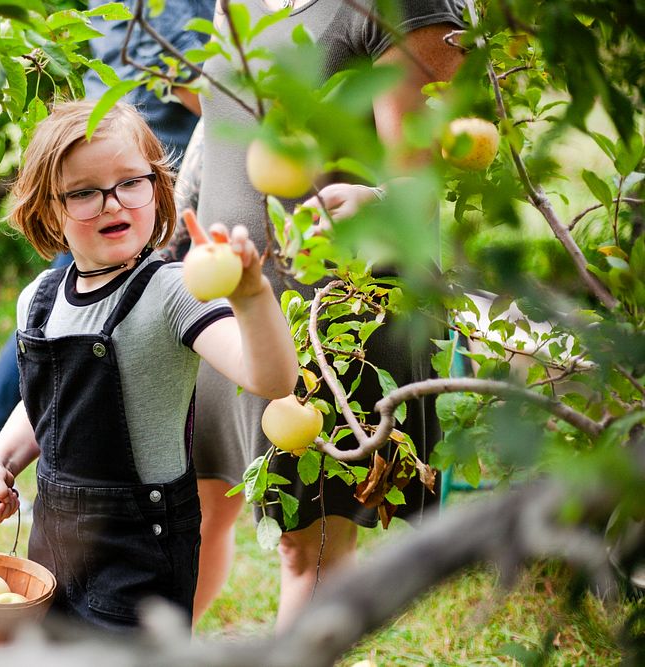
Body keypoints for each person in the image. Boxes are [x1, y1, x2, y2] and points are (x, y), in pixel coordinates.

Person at [188, 0, 467, 630]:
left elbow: (424, 171)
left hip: (334, 309)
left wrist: (376, 200)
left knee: (307, 544)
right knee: (199, 505)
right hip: (221, 307)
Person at [0, 100, 298, 630]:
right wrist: (1, 458)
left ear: (158, 186)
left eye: (131, 182)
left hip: (140, 548)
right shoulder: (39, 299)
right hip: (55, 537)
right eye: (83, 192)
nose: (111, 203)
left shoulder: (174, 292)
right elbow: (50, 405)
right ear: (48, 210)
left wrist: (253, 295)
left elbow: (274, 379)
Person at [0, 0, 213, 516]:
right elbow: (187, 78)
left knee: (80, 325)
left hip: (119, 170)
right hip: (122, 155)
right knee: (62, 324)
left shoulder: (175, 291)